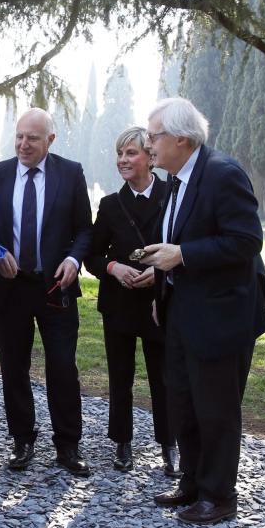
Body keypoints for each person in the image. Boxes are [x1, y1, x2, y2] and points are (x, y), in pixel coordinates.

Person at [138, 97, 265, 525]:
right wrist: (162, 295)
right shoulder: (176, 179)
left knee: (216, 407)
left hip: (219, 315)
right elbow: (172, 244)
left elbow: (246, 241)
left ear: (181, 138)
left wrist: (184, 255)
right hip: (181, 311)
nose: (148, 144)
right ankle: (192, 482)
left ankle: (219, 495)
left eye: (153, 136)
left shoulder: (222, 174)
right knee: (183, 402)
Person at [0, 108, 93, 476]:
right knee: (14, 367)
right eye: (18, 136)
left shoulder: (71, 173)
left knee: (62, 367)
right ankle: (22, 440)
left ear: (50, 140)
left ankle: (68, 446)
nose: (23, 144)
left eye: (32, 138)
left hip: (55, 286)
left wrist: (74, 260)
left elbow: (85, 230)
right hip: (10, 288)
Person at [83, 126, 177, 475]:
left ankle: (170, 444)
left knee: (164, 376)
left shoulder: (172, 196)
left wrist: (162, 273)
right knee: (119, 375)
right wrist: (112, 267)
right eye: (120, 154)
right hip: (119, 302)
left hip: (159, 301)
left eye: (131, 153)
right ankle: (122, 442)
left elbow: (183, 246)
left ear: (151, 157)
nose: (123, 160)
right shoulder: (110, 205)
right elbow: (91, 255)